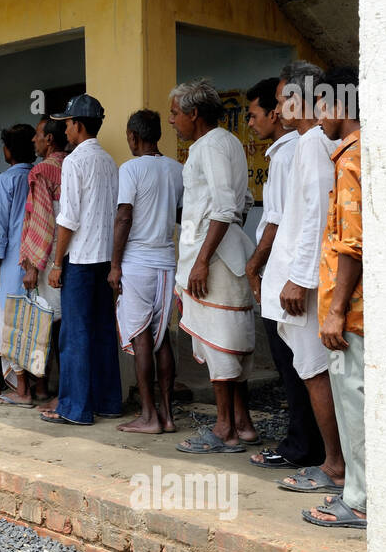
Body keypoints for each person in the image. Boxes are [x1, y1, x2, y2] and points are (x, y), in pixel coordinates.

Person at [262, 62, 347, 493]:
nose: (278, 110)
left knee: (314, 370)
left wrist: (299, 278)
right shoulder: (308, 143)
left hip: (308, 282)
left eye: (281, 101)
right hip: (309, 278)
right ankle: (334, 461)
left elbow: (315, 216)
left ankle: (335, 465)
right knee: (313, 369)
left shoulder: (314, 143)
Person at [169, 79, 258, 452]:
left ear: (193, 113)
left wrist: (202, 259)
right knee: (226, 341)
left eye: (175, 113)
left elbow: (225, 208)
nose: (172, 121)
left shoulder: (211, 146)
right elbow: (245, 201)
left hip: (214, 259)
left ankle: (225, 429)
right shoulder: (224, 143)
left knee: (221, 343)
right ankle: (242, 424)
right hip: (217, 252)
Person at [243, 75, 325, 470]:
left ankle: (305, 448)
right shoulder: (295, 148)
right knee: (298, 370)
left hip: (292, 277)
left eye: (273, 105)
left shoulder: (297, 149)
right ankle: (307, 444)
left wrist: (258, 265)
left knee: (300, 370)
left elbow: (288, 220)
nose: (270, 114)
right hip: (289, 273)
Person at [306, 67, 366, 530]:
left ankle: (359, 500)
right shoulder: (366, 152)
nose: (317, 117)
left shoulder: (349, 160)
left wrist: (336, 310)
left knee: (353, 401)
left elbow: (352, 244)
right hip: (365, 307)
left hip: (354, 311)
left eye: (322, 105)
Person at [41, 94, 122, 426]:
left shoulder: (74, 162)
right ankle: (108, 402)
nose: (66, 130)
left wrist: (57, 263)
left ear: (78, 125)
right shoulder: (109, 161)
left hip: (82, 259)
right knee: (103, 331)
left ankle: (75, 408)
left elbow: (68, 219)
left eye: (68, 124)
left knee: (73, 335)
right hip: (106, 259)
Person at [109, 109, 183, 434]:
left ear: (133, 137)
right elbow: (181, 214)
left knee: (141, 339)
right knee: (161, 337)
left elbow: (124, 216)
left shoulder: (131, 169)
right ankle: (167, 416)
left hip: (137, 263)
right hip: (166, 262)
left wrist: (114, 265)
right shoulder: (176, 169)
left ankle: (148, 416)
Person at [18, 117, 69, 408]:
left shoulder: (43, 170)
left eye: (37, 135)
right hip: (68, 258)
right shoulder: (72, 166)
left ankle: (41, 388)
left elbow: (41, 221)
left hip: (48, 259)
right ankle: (63, 388)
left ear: (49, 139)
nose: (33, 140)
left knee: (42, 328)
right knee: (64, 328)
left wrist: (32, 266)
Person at [0, 124, 35, 405]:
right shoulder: (38, 176)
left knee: (12, 324)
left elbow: (0, 229)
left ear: (9, 150)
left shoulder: (7, 180)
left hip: (10, 264)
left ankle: (23, 390)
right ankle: (38, 387)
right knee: (34, 324)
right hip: (34, 262)